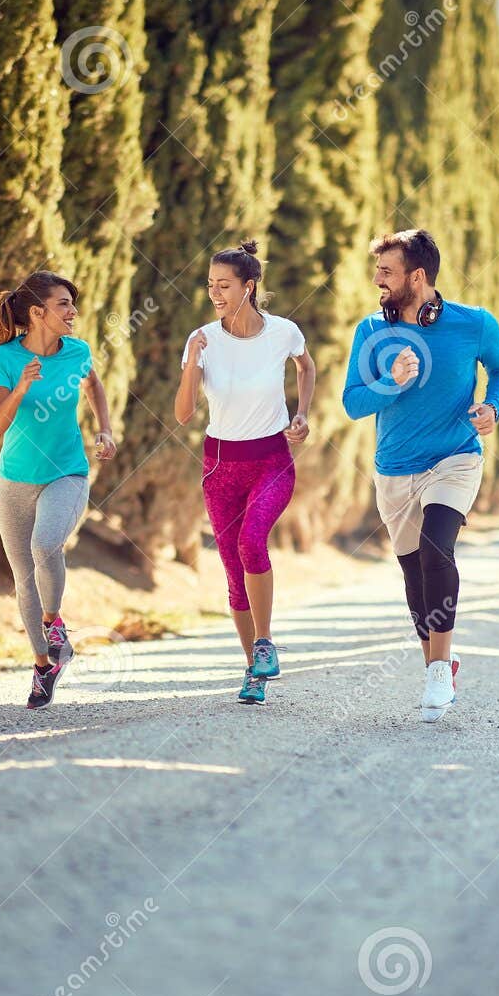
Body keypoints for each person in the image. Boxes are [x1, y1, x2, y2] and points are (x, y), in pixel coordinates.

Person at [342, 229, 499, 722]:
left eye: (386, 271)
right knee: (415, 575)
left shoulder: (473, 324)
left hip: (456, 457)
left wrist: (492, 407)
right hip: (394, 468)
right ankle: (439, 660)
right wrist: (389, 383)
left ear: (416, 277)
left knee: (439, 549)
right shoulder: (370, 332)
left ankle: (437, 673)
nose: (377, 279)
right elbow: (353, 403)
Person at [175, 240, 315, 704]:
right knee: (233, 570)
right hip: (220, 464)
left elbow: (306, 367)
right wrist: (192, 364)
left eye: (224, 285)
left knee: (251, 540)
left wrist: (302, 414)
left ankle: (266, 641)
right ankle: (253, 671)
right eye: (210, 285)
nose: (214, 293)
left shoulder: (282, 332)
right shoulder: (202, 339)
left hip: (272, 458)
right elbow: (183, 413)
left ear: (248, 286)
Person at [0, 270, 116, 709]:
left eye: (72, 304)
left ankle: (54, 623)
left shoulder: (78, 351)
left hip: (68, 473)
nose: (73, 312)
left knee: (46, 545)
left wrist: (105, 429)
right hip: (14, 481)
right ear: (37, 313)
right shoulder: (3, 358)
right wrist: (21, 385)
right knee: (23, 580)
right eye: (64, 304)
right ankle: (44, 665)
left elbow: (94, 384)